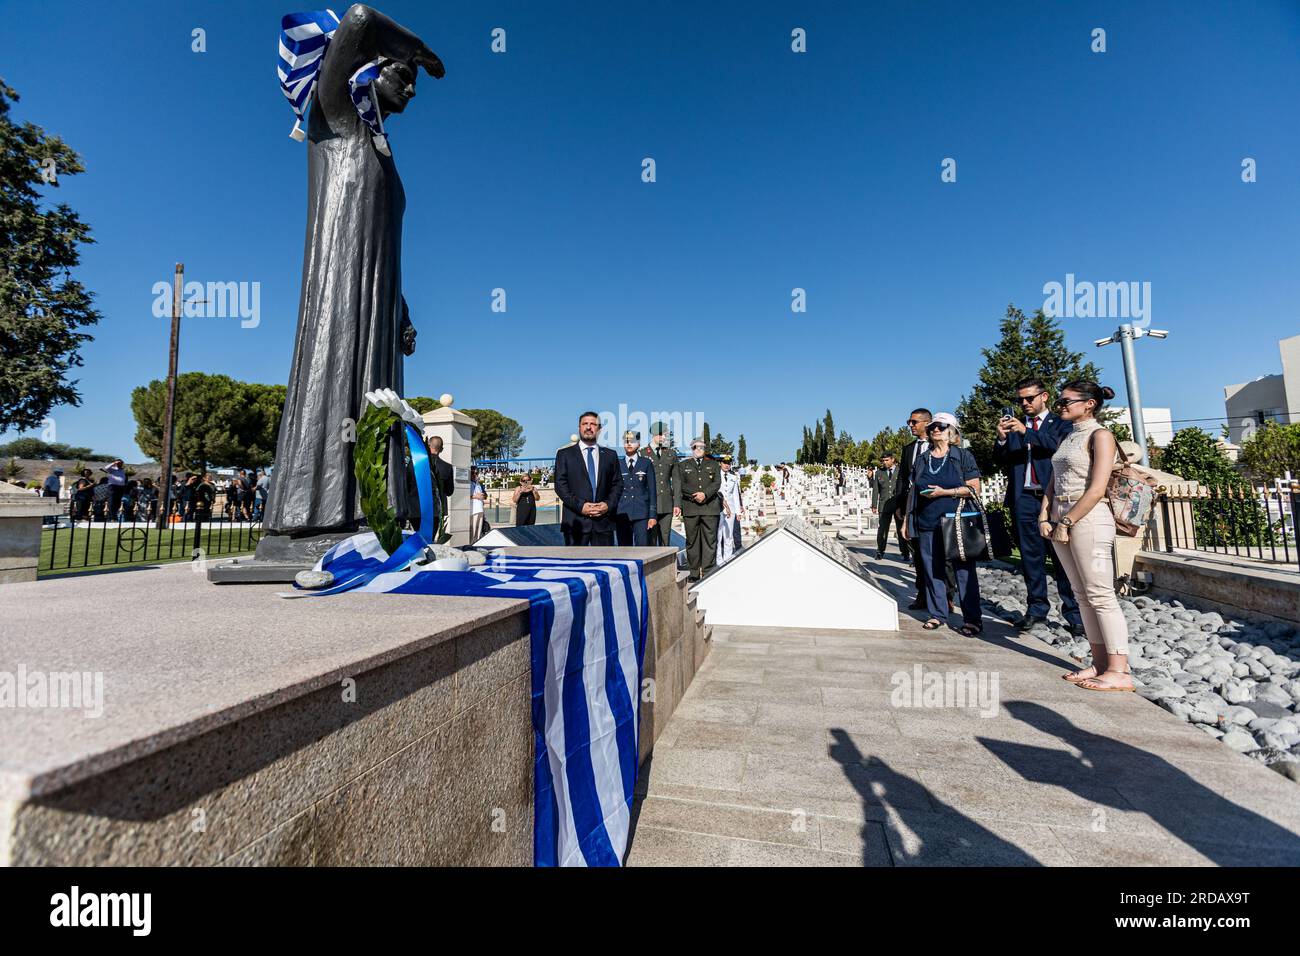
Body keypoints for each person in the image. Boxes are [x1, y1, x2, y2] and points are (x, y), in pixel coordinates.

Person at [1040, 382, 1133, 691]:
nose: (1060, 406)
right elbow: (1053, 480)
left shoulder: (1101, 435)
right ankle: (1099, 662)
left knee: (1101, 594)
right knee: (1081, 595)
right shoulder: (1069, 436)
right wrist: (1046, 515)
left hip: (1089, 518)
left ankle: (1119, 669)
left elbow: (1096, 487)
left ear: (1089, 404)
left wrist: (1067, 520)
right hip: (1060, 516)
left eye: (1066, 401)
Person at [994, 378, 1085, 635]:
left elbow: (1056, 447)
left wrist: (1026, 432)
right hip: (1023, 498)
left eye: (1029, 398)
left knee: (1062, 558)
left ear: (1044, 397)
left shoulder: (1061, 424)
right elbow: (1001, 459)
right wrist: (1002, 440)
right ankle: (1036, 610)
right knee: (1030, 557)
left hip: (1053, 498)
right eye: (1020, 399)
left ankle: (1074, 614)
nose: (1023, 403)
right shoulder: (1015, 428)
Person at [903, 412, 983, 634]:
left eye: (940, 426)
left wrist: (944, 492)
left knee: (964, 571)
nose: (935, 429)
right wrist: (907, 521)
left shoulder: (962, 456)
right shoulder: (922, 459)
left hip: (956, 521)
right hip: (927, 521)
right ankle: (937, 613)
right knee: (932, 570)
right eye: (932, 427)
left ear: (952, 431)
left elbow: (974, 488)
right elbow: (914, 491)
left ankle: (972, 618)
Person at [897, 409, 955, 610]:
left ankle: (947, 595)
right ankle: (923, 593)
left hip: (938, 506)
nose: (910, 425)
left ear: (926, 423)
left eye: (914, 422)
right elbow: (904, 480)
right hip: (915, 507)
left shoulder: (940, 447)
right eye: (909, 422)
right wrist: (901, 506)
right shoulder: (908, 449)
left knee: (944, 554)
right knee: (921, 555)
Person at [554, 411, 622, 545]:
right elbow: (560, 485)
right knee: (575, 565)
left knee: (605, 565)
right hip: (575, 523)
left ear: (599, 429)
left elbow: (617, 484)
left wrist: (607, 505)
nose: (589, 427)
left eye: (593, 424)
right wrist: (581, 506)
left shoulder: (610, 455)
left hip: (604, 523)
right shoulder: (564, 455)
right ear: (579, 428)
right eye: (585, 424)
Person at [674, 438, 721, 581]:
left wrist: (704, 494)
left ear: (705, 448)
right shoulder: (683, 465)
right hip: (691, 508)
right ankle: (694, 572)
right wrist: (696, 495)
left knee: (710, 541)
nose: (698, 449)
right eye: (695, 447)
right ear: (691, 448)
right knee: (692, 541)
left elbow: (717, 483)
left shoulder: (713, 464)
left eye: (701, 447)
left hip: (709, 508)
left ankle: (708, 572)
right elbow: (680, 484)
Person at [615, 430, 657, 546]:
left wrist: (652, 515)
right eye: (626, 441)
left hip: (642, 514)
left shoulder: (646, 463)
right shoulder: (617, 464)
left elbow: (652, 491)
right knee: (624, 549)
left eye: (632, 441)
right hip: (622, 513)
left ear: (638, 444)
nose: (629, 444)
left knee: (642, 549)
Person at [645, 425, 678, 548]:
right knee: (651, 540)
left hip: (666, 502)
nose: (664, 437)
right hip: (649, 504)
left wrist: (677, 503)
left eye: (666, 435)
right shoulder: (642, 453)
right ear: (654, 434)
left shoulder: (671, 453)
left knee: (666, 539)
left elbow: (676, 480)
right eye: (662, 434)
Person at [870, 453, 905, 561]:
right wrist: (874, 505)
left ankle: (905, 552)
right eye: (883, 460)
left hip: (898, 504)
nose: (884, 462)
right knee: (883, 529)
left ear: (893, 459)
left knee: (901, 529)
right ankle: (880, 551)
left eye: (887, 460)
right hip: (884, 505)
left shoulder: (900, 471)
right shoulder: (879, 473)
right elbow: (876, 489)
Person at [716, 454, 743, 566]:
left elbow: (735, 495)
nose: (727, 465)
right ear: (720, 463)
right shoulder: (716, 476)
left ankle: (727, 559)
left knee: (728, 535)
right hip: (718, 508)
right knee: (718, 535)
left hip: (730, 510)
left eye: (729, 463)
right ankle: (719, 560)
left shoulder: (733, 477)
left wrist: (738, 512)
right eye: (724, 463)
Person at [427, 435, 455, 531]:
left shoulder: (416, 463)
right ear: (441, 449)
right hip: (437, 509)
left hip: (417, 509)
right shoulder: (447, 467)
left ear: (428, 445)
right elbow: (449, 491)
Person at [192, 472, 216, 554]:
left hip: (209, 500)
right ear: (205, 478)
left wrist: (213, 498)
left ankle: (206, 519)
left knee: (208, 511)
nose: (209, 478)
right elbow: (198, 491)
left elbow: (213, 492)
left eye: (210, 477)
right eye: (208, 477)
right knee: (202, 510)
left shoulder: (212, 485)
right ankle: (200, 520)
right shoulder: (202, 485)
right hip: (203, 500)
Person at [469, 466, 487, 542]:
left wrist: (483, 496)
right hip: (472, 510)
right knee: (472, 530)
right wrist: (474, 496)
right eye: (472, 473)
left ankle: (476, 543)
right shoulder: (467, 484)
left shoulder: (479, 484)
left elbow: (485, 495)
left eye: (476, 473)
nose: (475, 475)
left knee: (478, 530)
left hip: (480, 510)